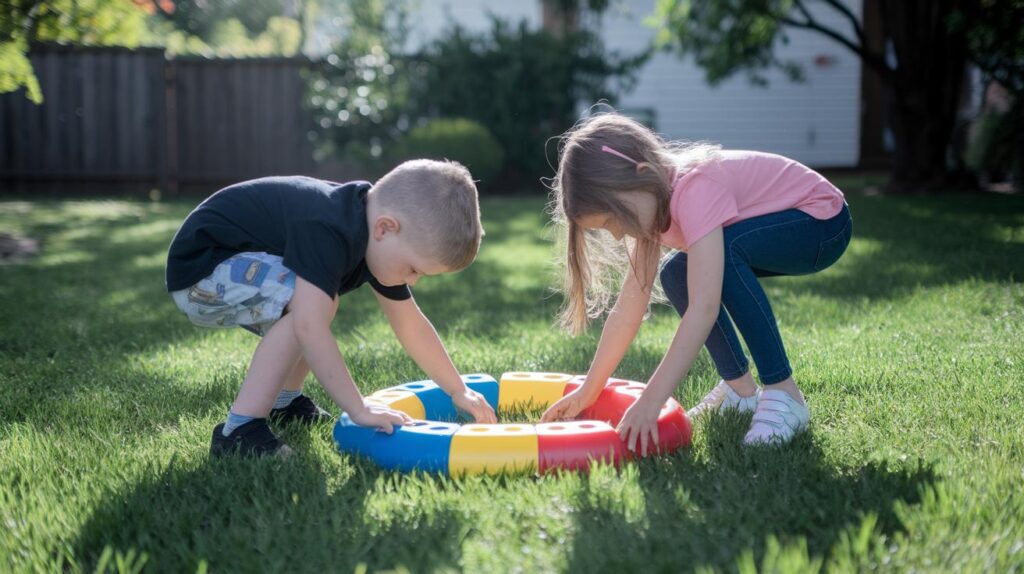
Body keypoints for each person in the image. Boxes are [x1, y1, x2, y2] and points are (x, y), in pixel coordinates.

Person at [540, 112, 852, 450]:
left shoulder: (695, 188)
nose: (617, 235)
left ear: (642, 177)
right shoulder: (653, 204)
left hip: (822, 223)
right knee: (676, 273)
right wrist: (589, 390)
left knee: (725, 255)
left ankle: (784, 392)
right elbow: (627, 310)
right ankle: (740, 390)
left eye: (615, 219)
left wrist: (650, 401)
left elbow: (704, 308)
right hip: (785, 227)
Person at [166, 160, 497, 457]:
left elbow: (411, 325)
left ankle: (286, 402)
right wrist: (359, 408)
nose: (414, 281)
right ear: (385, 228)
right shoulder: (328, 227)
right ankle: (239, 430)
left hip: (236, 266)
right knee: (309, 308)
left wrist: (459, 390)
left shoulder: (373, 236)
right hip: (203, 270)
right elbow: (310, 327)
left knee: (315, 302)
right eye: (414, 269)